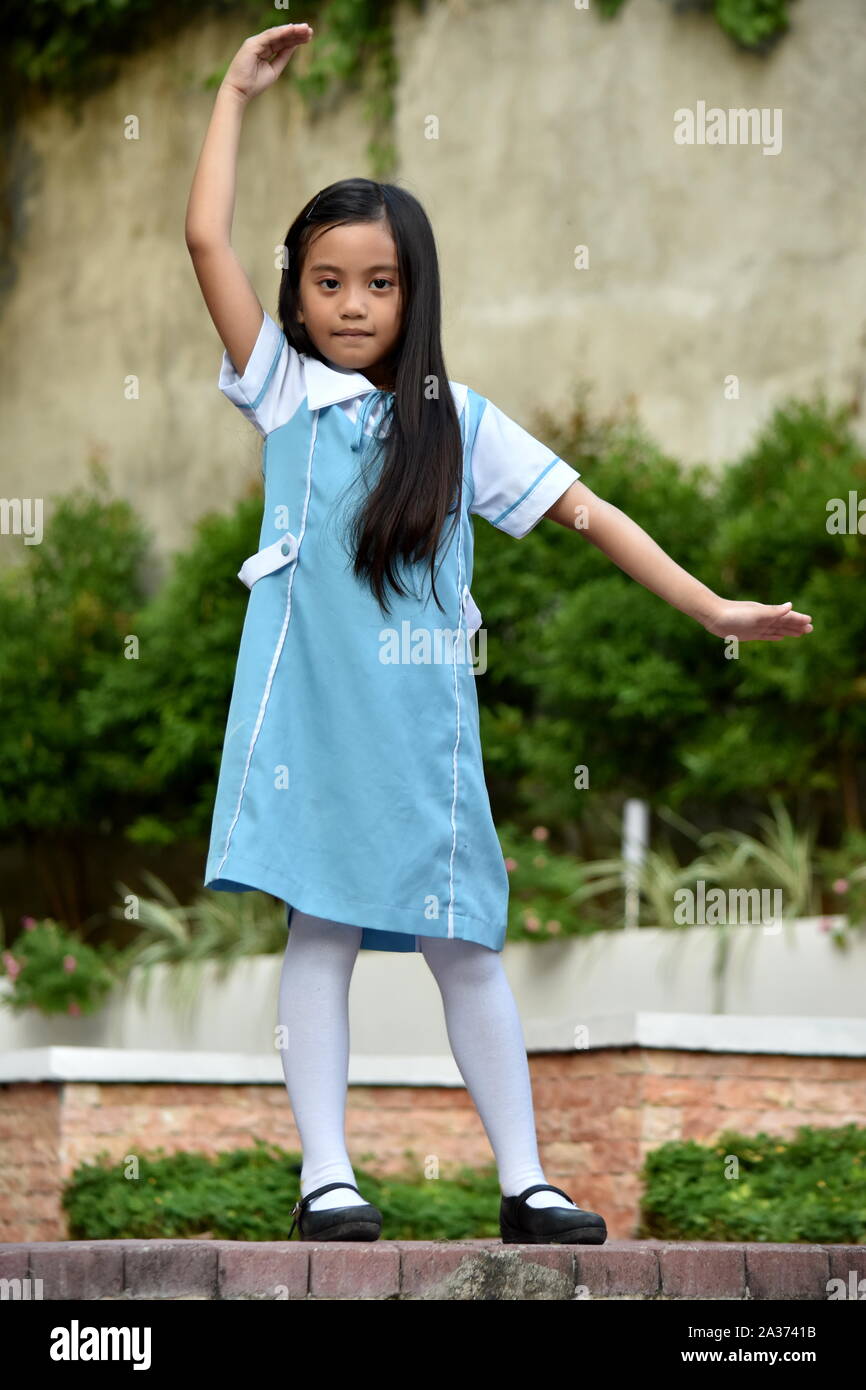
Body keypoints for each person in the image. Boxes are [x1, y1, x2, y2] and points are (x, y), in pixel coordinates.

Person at [185, 24, 814, 1245]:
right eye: (326, 282)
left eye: (378, 282)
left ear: (415, 292)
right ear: (294, 296)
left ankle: (524, 1179)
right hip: (312, 715)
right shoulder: (279, 390)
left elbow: (589, 513)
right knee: (317, 925)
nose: (353, 303)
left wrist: (711, 606)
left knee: (460, 937)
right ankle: (327, 1178)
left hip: (425, 731)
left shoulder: (458, 420)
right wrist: (231, 95)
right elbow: (205, 236)